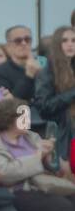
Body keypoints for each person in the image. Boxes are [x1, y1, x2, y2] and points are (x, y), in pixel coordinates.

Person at [34, 24, 75, 172]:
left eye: (73, 40)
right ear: (57, 45)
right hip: (62, 134)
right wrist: (72, 93)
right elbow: (45, 107)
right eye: (65, 40)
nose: (70, 44)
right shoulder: (48, 71)